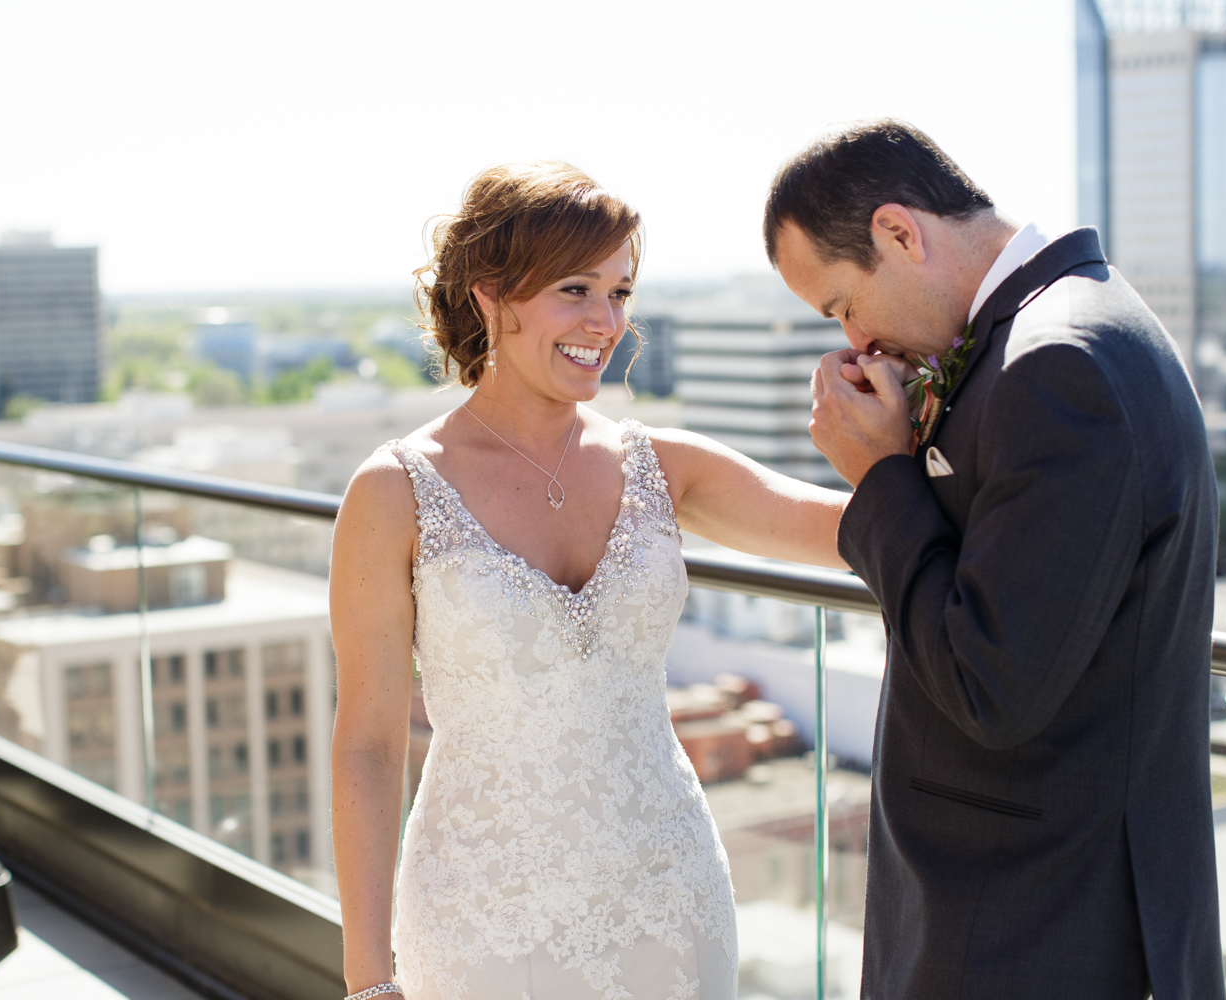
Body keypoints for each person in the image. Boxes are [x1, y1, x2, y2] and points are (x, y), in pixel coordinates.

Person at [330, 162, 852, 1000]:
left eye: (621, 292)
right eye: (576, 289)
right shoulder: (393, 492)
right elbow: (367, 742)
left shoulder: (663, 464)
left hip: (669, 897)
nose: (606, 322)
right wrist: (366, 980)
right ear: (489, 296)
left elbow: (847, 532)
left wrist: (912, 418)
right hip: (479, 916)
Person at [768, 119, 1224, 998]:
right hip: (1022, 906)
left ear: (901, 234)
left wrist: (881, 476)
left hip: (1038, 925)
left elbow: (992, 686)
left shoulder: (1059, 363)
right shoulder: (1058, 332)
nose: (854, 343)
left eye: (841, 306)